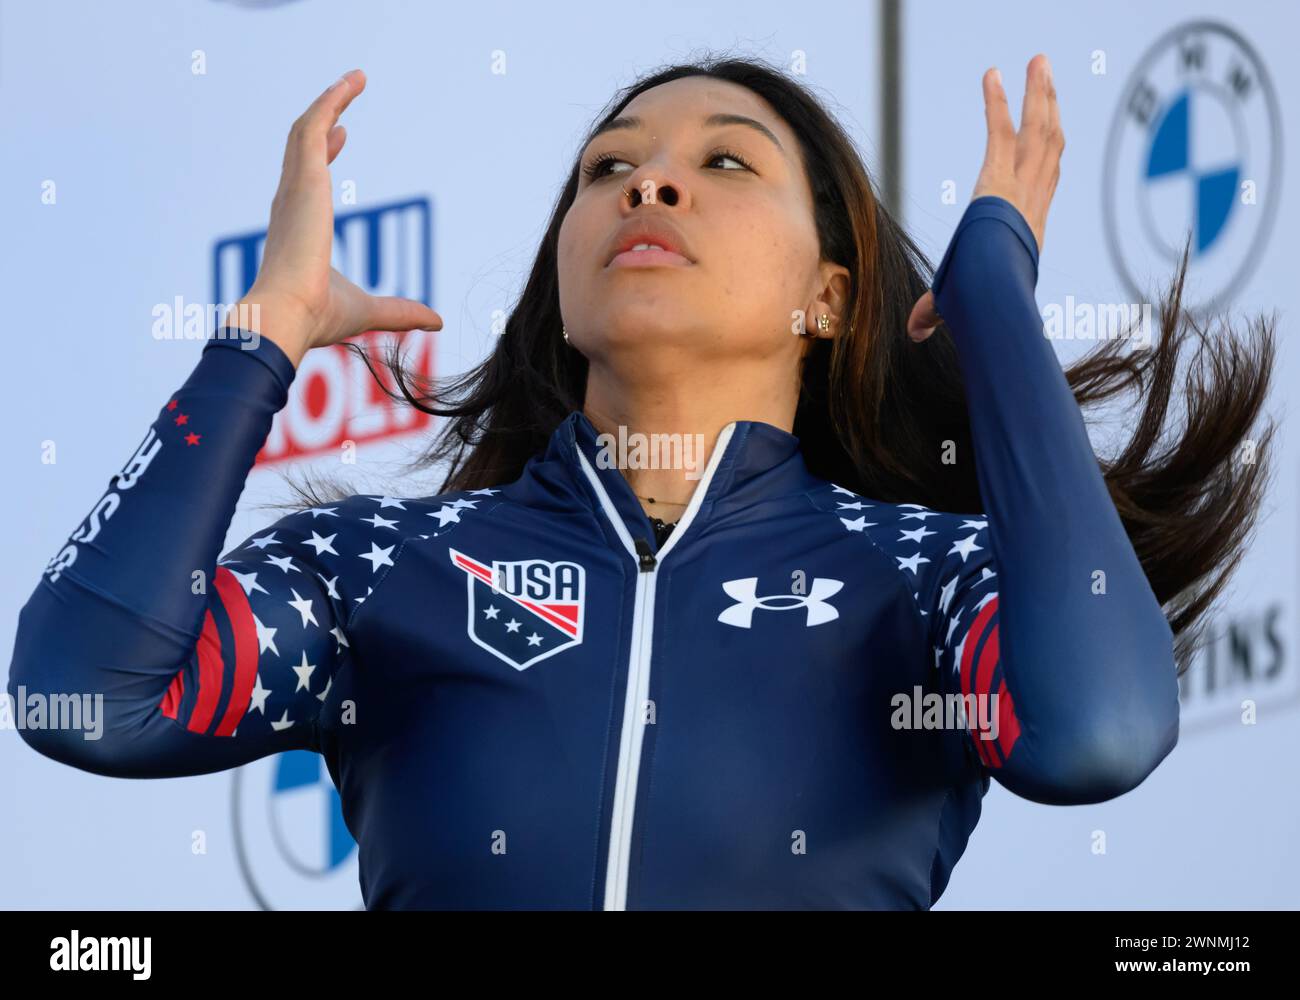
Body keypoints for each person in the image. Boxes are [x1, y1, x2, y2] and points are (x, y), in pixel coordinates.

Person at [6, 55, 1274, 910]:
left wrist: (991, 297)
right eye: (608, 168)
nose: (646, 182)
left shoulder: (921, 577)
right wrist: (264, 336)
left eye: (724, 164)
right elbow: (81, 697)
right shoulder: (382, 567)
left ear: (827, 298)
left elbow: (1096, 730)